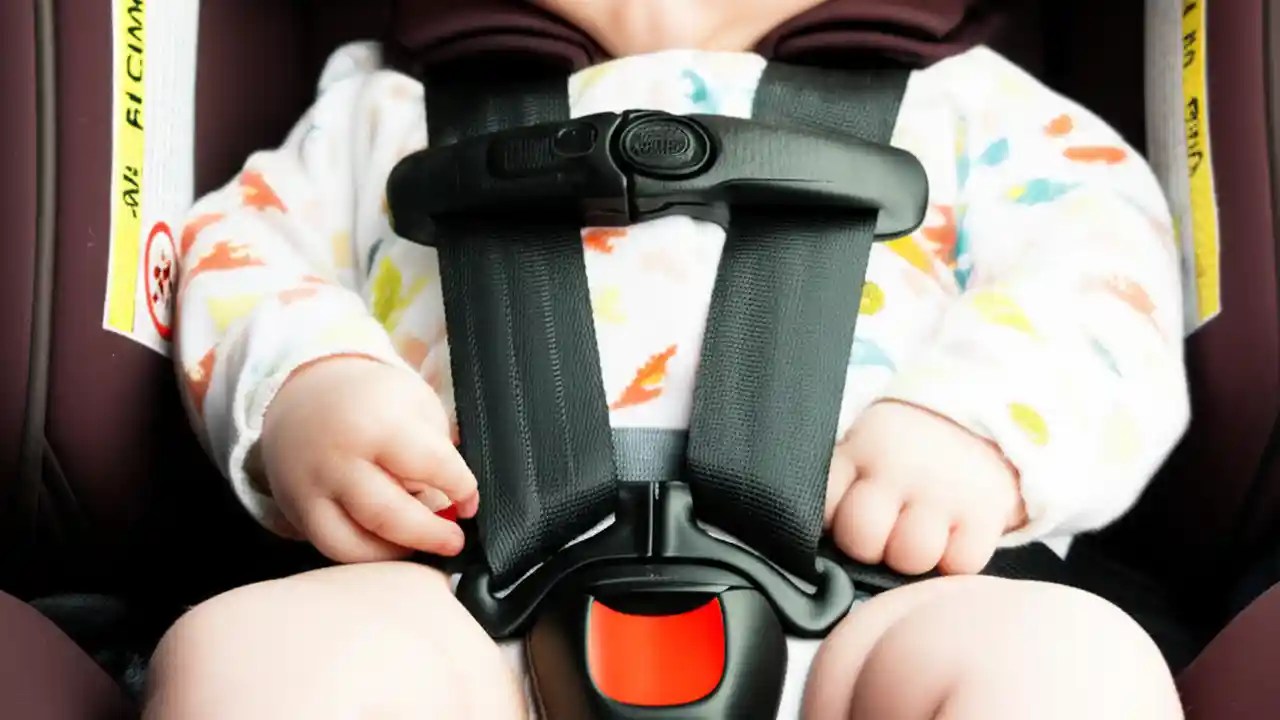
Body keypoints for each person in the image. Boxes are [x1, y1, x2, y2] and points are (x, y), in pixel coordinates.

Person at [144, 1, 1189, 717]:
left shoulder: (972, 107)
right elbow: (245, 253)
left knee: (1065, 662)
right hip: (461, 597)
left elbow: (1104, 274)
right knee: (250, 655)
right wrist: (312, 384)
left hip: (871, 594)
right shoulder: (383, 109)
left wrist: (977, 425)